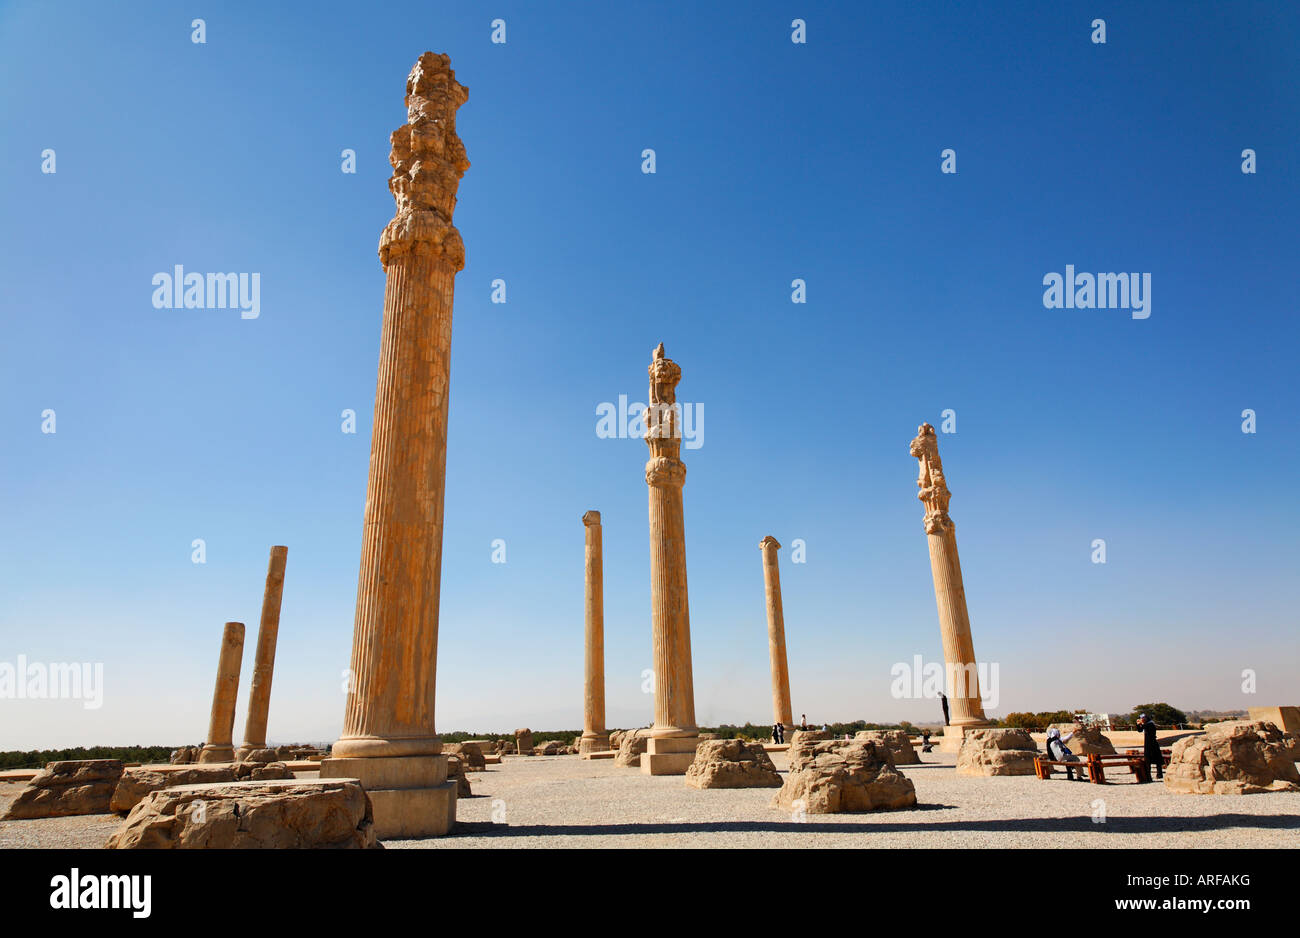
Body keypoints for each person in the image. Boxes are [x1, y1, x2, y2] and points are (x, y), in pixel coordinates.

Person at [1137, 713, 1164, 780]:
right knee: (1147, 760)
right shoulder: (1146, 724)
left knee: (1157, 760)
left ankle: (1159, 774)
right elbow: (1140, 730)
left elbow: (1145, 727)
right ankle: (1148, 775)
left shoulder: (1150, 724)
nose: (1143, 719)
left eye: (1144, 718)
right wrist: (1138, 724)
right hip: (1147, 744)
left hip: (1153, 744)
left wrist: (1141, 723)